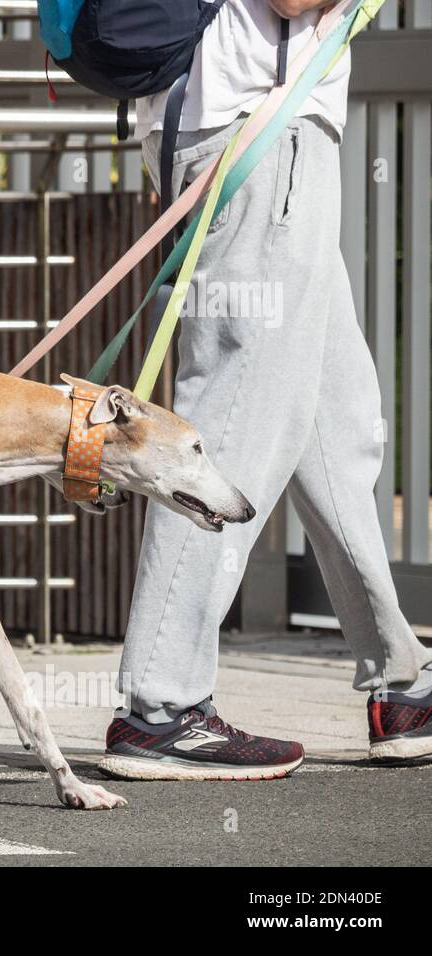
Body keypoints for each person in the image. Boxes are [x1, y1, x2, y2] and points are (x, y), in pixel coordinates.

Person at [101, 0, 432, 781]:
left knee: (335, 425)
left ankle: (403, 684)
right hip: (261, 134)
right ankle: (160, 705)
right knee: (235, 420)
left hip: (252, 131)